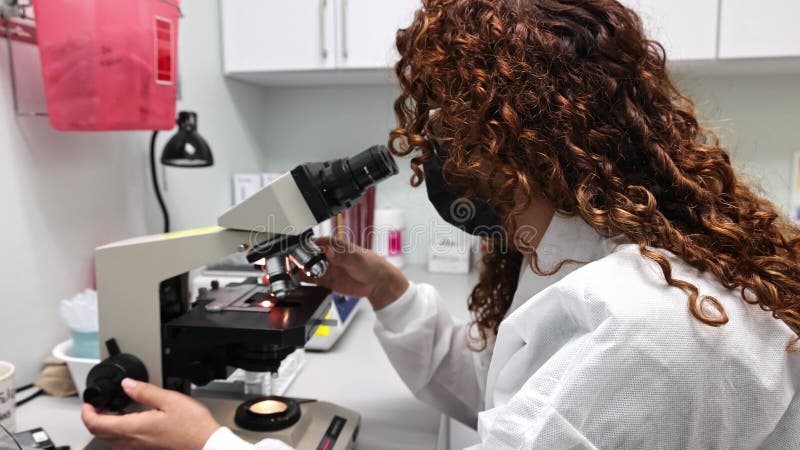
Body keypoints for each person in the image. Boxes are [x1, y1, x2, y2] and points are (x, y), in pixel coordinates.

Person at [83, 0, 800, 448]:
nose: (437, 152)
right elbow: (506, 396)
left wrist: (207, 444)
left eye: (452, 124)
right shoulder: (578, 253)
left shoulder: (646, 331)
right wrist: (390, 290)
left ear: (518, 137)